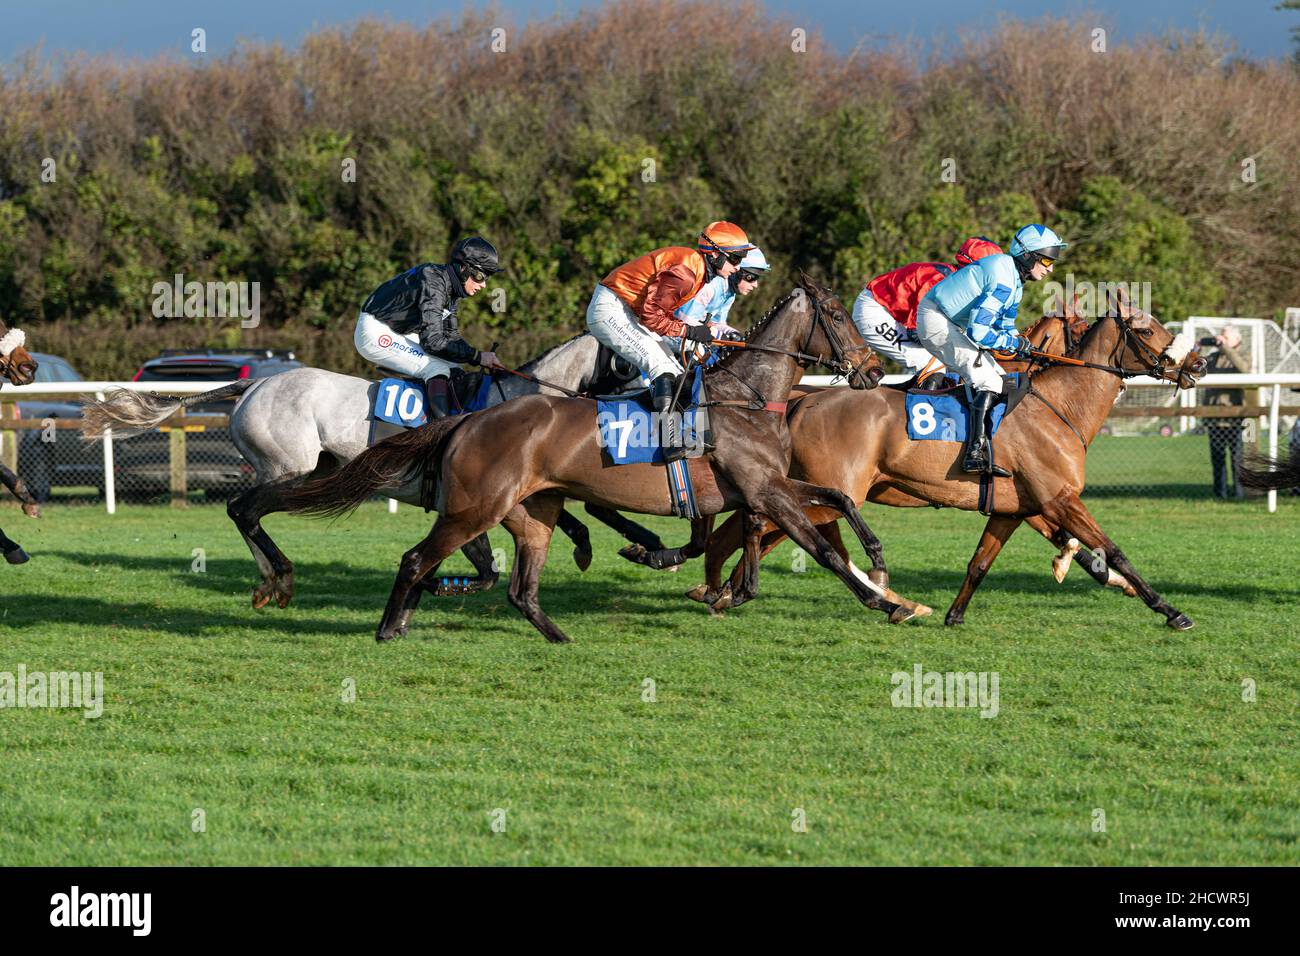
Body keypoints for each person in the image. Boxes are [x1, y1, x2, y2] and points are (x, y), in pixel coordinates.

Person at [916, 224, 1067, 476]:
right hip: (937, 320)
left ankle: (983, 444)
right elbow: (980, 332)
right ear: (1027, 254)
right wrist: (1014, 344)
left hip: (950, 322)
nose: (1050, 268)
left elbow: (1004, 326)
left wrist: (1020, 345)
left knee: (1003, 381)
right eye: (1045, 260)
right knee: (990, 382)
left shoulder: (1015, 281)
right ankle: (973, 454)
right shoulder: (1004, 278)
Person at [588, 221, 755, 414]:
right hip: (611, 309)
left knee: (677, 374)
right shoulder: (687, 274)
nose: (738, 267)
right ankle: (666, 436)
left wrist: (690, 330)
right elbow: (650, 316)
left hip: (627, 310)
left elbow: (659, 314)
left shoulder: (698, 269)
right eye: (735, 259)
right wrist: (689, 330)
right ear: (715, 253)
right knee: (663, 370)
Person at [354, 237, 506, 417]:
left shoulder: (451, 289)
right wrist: (477, 356)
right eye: (481, 276)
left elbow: (451, 337)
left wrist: (481, 357)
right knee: (436, 369)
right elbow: (433, 342)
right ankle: (441, 430)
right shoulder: (434, 283)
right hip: (374, 331)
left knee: (454, 366)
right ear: (463, 268)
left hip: (397, 331)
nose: (483, 285)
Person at [852, 237, 1003, 386]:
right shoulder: (938, 280)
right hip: (874, 312)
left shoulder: (955, 280)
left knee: (953, 361)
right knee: (932, 365)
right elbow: (918, 332)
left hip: (893, 314)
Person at [672, 246, 770, 345]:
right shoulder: (710, 286)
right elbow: (685, 319)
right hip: (672, 331)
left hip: (689, 333)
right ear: (737, 272)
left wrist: (733, 333)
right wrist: (718, 335)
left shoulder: (730, 294)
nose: (755, 285)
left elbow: (716, 323)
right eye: (752, 277)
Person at [1202, 324, 1250, 500]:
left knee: (1237, 460)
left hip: (1234, 417)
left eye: (1226, 337)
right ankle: (1219, 494)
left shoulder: (1243, 355)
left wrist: (1226, 348)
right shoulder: (1213, 357)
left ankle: (1239, 494)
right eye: (1220, 337)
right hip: (1214, 417)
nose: (1221, 340)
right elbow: (1197, 368)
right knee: (1217, 460)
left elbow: (1244, 369)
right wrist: (1196, 348)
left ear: (1237, 340)